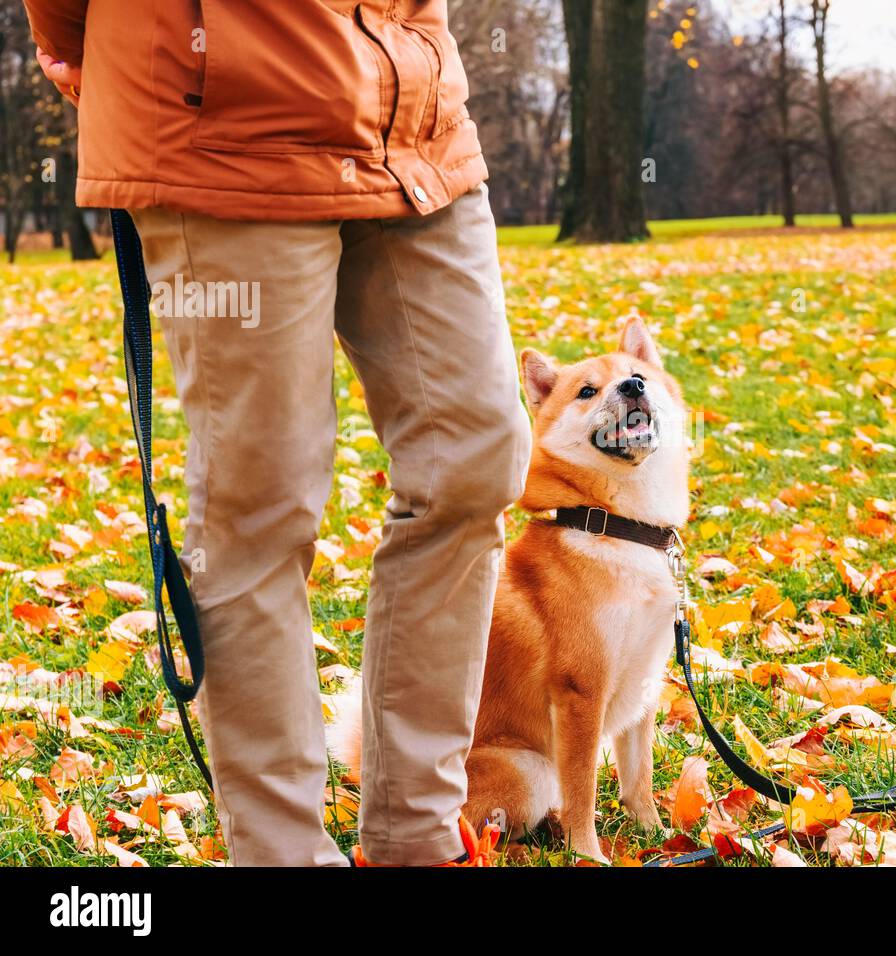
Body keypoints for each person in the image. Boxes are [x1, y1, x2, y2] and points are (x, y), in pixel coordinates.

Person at [25, 0, 531, 867]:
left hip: (413, 119)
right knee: (261, 501)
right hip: (222, 123)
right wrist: (88, 50)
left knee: (474, 461)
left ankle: (416, 834)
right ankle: (282, 854)